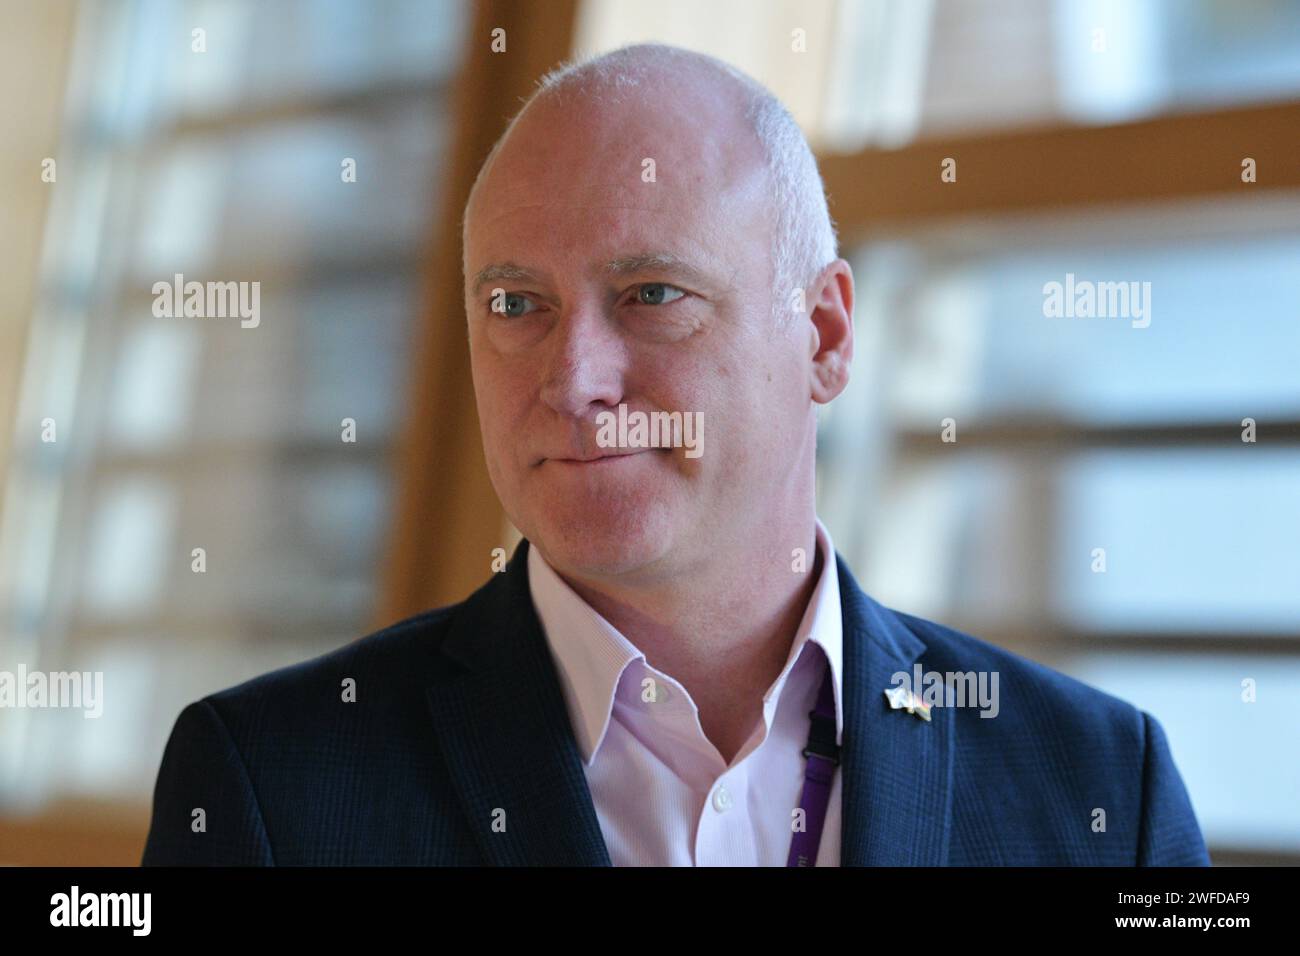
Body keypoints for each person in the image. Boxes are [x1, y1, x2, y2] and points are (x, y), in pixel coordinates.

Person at [142, 42, 1210, 866]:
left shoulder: (1102, 791)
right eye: (517, 304)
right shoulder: (272, 786)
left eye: (652, 295)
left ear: (826, 336)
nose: (574, 381)